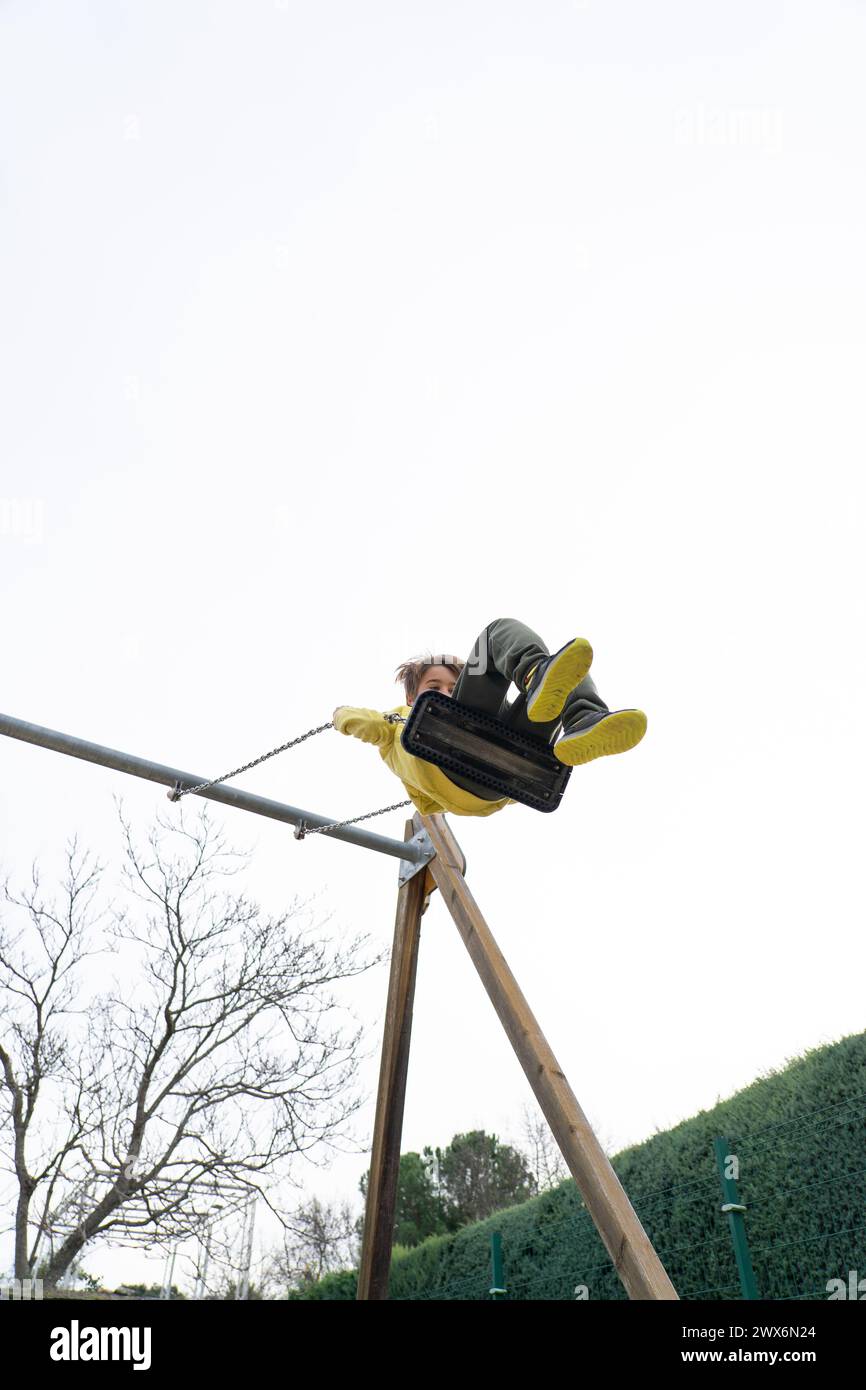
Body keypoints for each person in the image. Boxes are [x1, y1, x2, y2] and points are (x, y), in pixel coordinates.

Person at [332, 617, 646, 819]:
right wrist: (342, 715)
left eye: (453, 687)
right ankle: (536, 675)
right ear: (411, 699)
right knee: (495, 633)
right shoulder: (401, 719)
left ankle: (583, 720)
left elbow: (428, 805)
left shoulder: (401, 749)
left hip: (499, 777)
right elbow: (371, 724)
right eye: (434, 686)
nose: (445, 690)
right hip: (449, 753)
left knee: (569, 672)